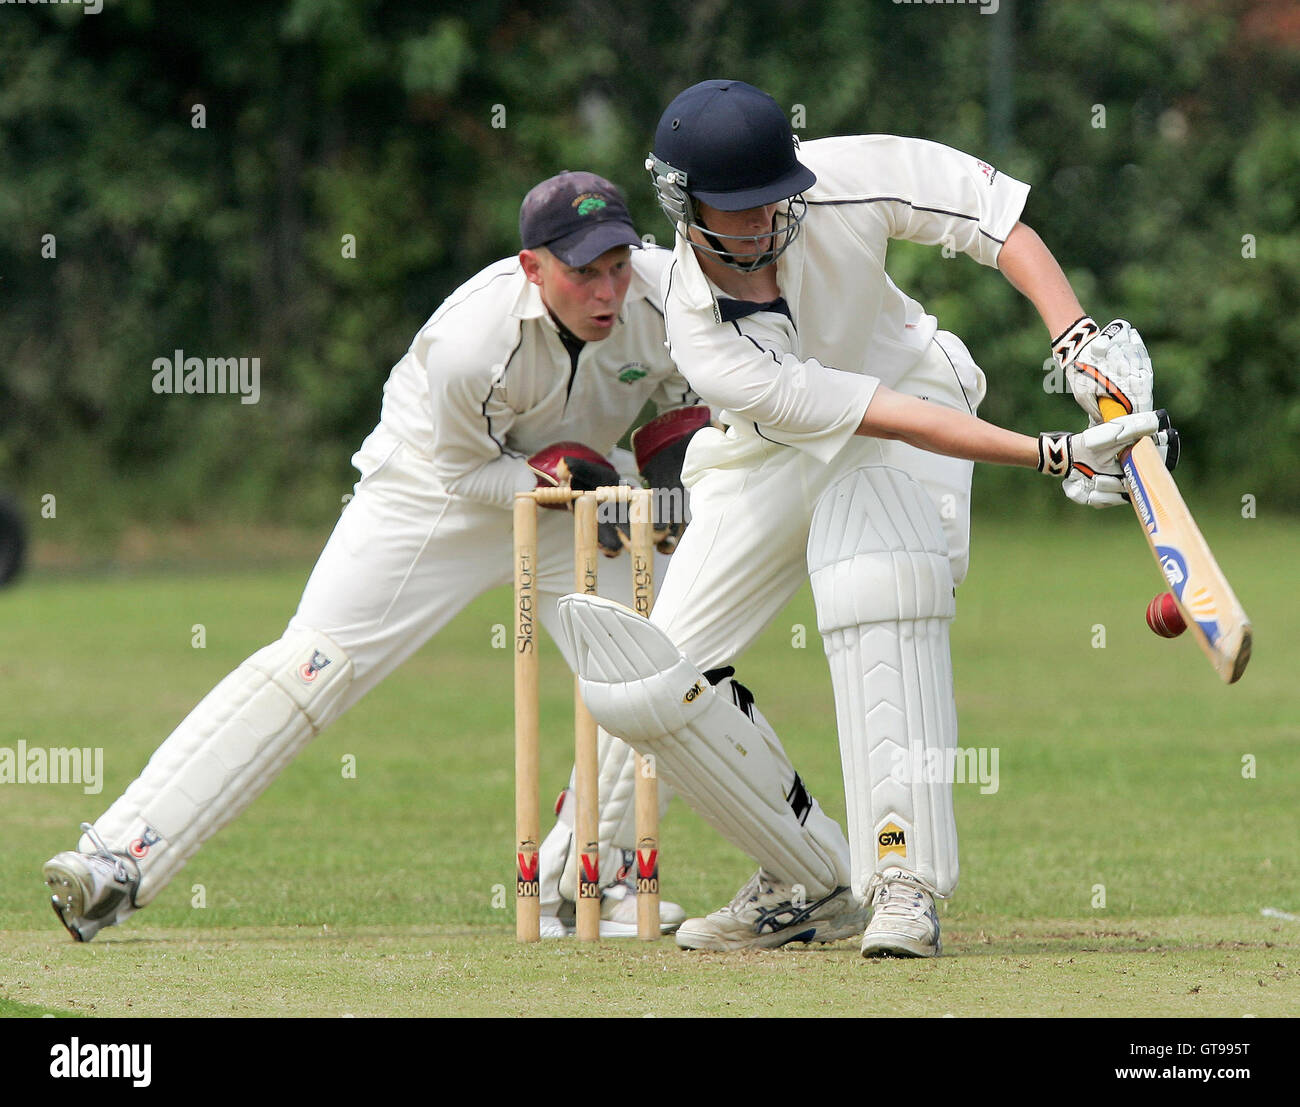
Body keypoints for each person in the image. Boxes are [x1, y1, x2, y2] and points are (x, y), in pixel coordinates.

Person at [555, 80, 1171, 957]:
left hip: (916, 389)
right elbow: (872, 413)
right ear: (685, 206)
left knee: (879, 583)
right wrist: (1053, 453)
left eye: (774, 198)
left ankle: (903, 881)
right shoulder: (701, 330)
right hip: (777, 444)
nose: (765, 221)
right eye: (740, 207)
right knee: (649, 684)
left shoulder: (842, 179)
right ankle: (808, 881)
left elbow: (997, 224)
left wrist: (1077, 340)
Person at [42, 171, 711, 942]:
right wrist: (549, 476)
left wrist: (673, 479)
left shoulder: (666, 295)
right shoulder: (471, 341)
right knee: (316, 663)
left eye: (617, 266)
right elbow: (465, 470)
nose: (607, 291)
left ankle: (589, 874)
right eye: (583, 271)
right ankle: (117, 859)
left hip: (581, 489)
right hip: (436, 490)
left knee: (665, 655)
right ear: (533, 267)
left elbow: (687, 398)